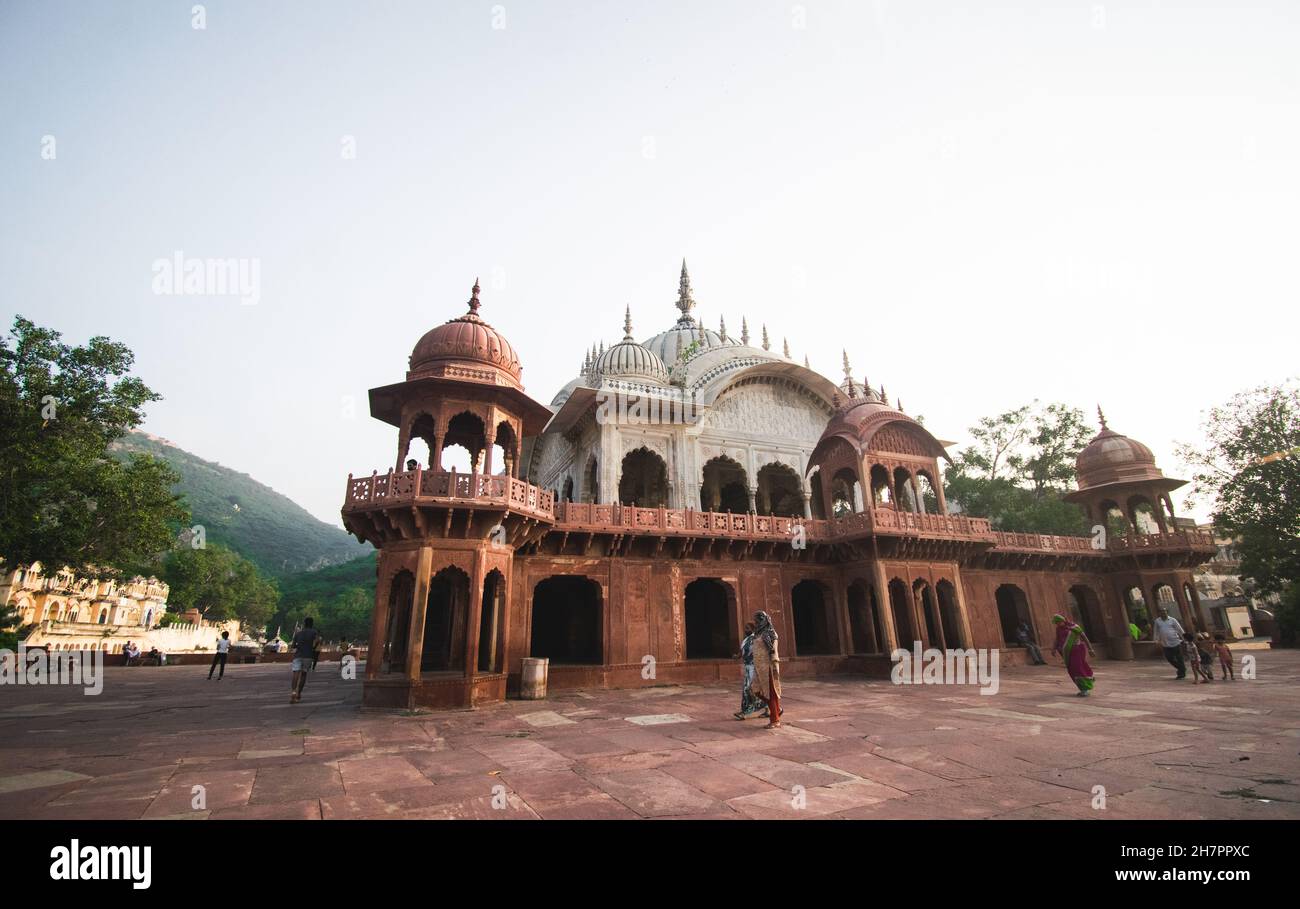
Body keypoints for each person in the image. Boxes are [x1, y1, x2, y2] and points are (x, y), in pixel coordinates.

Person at [750, 611, 783, 728]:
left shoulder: (770, 633)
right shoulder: (759, 633)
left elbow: (773, 650)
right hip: (759, 667)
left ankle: (775, 720)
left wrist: (774, 665)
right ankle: (777, 709)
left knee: (771, 692)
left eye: (758, 620)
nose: (756, 622)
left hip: (768, 666)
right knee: (756, 690)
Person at [1051, 613, 1096, 696]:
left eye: (1058, 622)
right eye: (1056, 623)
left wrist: (1090, 649)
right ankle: (1081, 687)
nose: (1057, 624)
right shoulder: (1059, 629)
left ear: (1063, 621)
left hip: (1077, 650)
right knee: (1072, 669)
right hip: (1068, 652)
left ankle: (1086, 688)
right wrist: (1053, 648)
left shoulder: (1074, 627)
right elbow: (1057, 639)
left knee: (1078, 667)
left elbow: (1084, 637)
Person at [734, 622, 765, 720]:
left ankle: (745, 712)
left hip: (754, 667)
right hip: (747, 668)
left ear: (752, 629)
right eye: (745, 628)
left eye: (747, 628)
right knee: (754, 690)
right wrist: (737, 656)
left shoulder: (756, 639)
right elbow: (742, 651)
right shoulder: (746, 639)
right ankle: (768, 709)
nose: (745, 630)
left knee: (748, 689)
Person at [1151, 606, 1186, 679]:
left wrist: (1184, 638)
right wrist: (1156, 640)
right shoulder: (1157, 621)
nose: (1163, 613)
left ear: (1167, 612)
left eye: (1164, 612)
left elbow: (1179, 629)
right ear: (1159, 613)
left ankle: (1181, 673)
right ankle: (1181, 668)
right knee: (1169, 658)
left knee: (1179, 658)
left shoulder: (1172, 620)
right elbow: (1156, 631)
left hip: (1175, 641)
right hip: (1165, 643)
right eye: (1161, 612)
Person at [289, 618, 319, 704]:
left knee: (295, 673)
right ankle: (298, 693)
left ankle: (293, 691)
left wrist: (299, 646)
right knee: (303, 674)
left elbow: (293, 646)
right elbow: (318, 640)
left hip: (298, 655)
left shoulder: (298, 633)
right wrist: (313, 647)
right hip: (308, 655)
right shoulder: (314, 632)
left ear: (304, 624)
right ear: (312, 624)